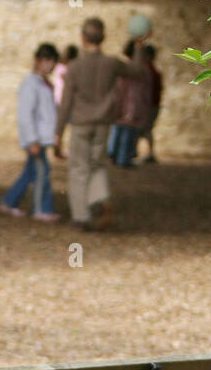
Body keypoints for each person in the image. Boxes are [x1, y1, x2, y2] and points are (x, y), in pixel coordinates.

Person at [53, 17, 150, 232]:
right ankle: (102, 199)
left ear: (82, 37)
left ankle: (81, 217)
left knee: (79, 169)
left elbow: (66, 102)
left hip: (81, 123)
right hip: (104, 123)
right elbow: (138, 71)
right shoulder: (111, 63)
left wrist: (58, 134)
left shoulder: (75, 67)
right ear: (104, 38)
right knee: (97, 165)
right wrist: (139, 45)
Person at [0, 42, 59, 221]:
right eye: (46, 60)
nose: (50, 65)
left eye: (52, 61)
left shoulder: (44, 84)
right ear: (37, 61)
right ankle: (42, 208)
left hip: (42, 137)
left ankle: (9, 202)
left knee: (30, 172)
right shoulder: (30, 84)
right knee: (42, 173)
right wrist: (32, 140)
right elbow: (25, 114)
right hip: (36, 138)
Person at [106, 39, 152, 168]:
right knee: (128, 132)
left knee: (120, 130)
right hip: (133, 105)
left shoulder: (123, 68)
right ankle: (123, 157)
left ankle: (114, 153)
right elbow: (145, 91)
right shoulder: (142, 71)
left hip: (123, 105)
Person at [138, 43, 163, 163]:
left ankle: (149, 153)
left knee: (145, 129)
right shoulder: (153, 71)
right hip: (152, 104)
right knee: (146, 129)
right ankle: (148, 152)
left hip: (148, 105)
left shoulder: (148, 71)